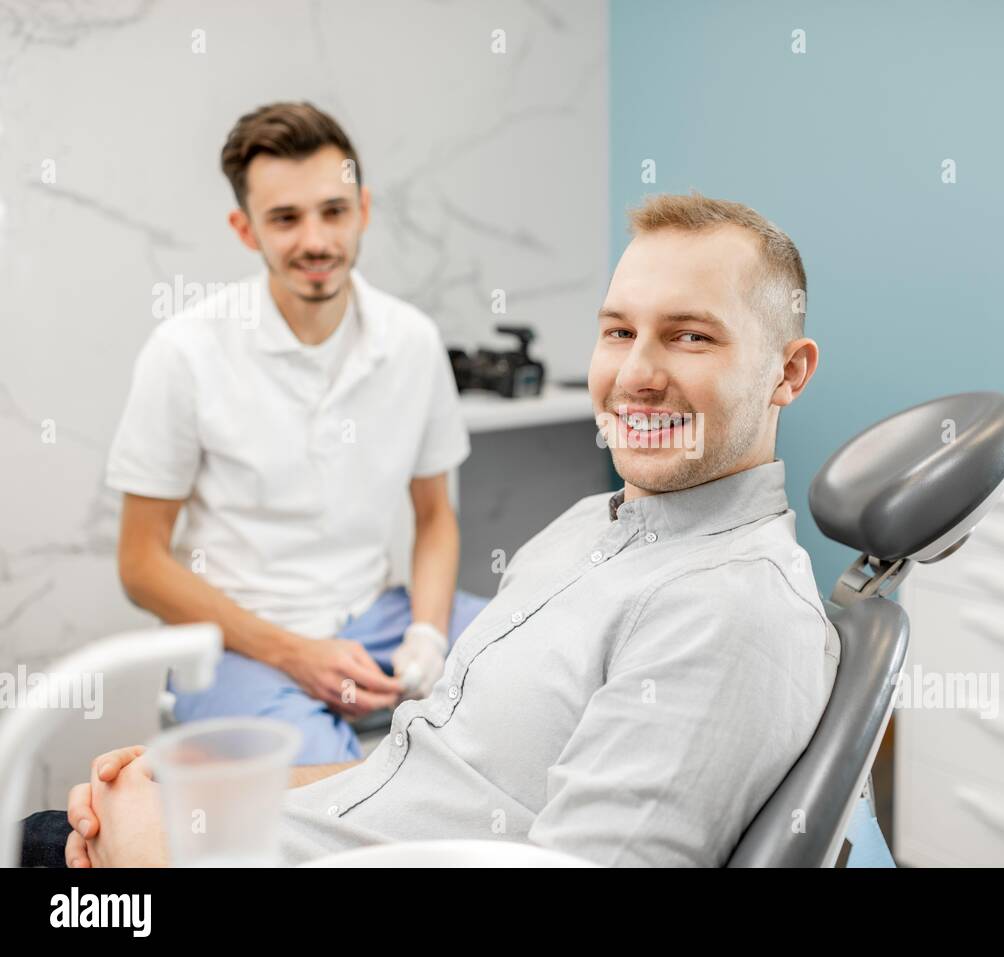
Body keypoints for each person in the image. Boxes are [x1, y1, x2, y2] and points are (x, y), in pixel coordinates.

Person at [32, 191, 844, 868]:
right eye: (618, 331)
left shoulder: (728, 612)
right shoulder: (588, 528)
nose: (634, 376)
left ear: (789, 372)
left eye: (690, 334)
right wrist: (209, 798)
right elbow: (413, 767)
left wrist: (165, 859)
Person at [105, 101, 485, 765]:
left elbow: (434, 518)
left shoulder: (413, 342)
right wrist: (294, 653)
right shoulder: (184, 352)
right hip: (236, 642)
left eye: (333, 210)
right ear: (245, 229)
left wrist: (426, 631)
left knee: (540, 659)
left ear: (363, 209)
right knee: (333, 804)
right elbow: (141, 564)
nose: (315, 240)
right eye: (285, 218)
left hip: (381, 617)